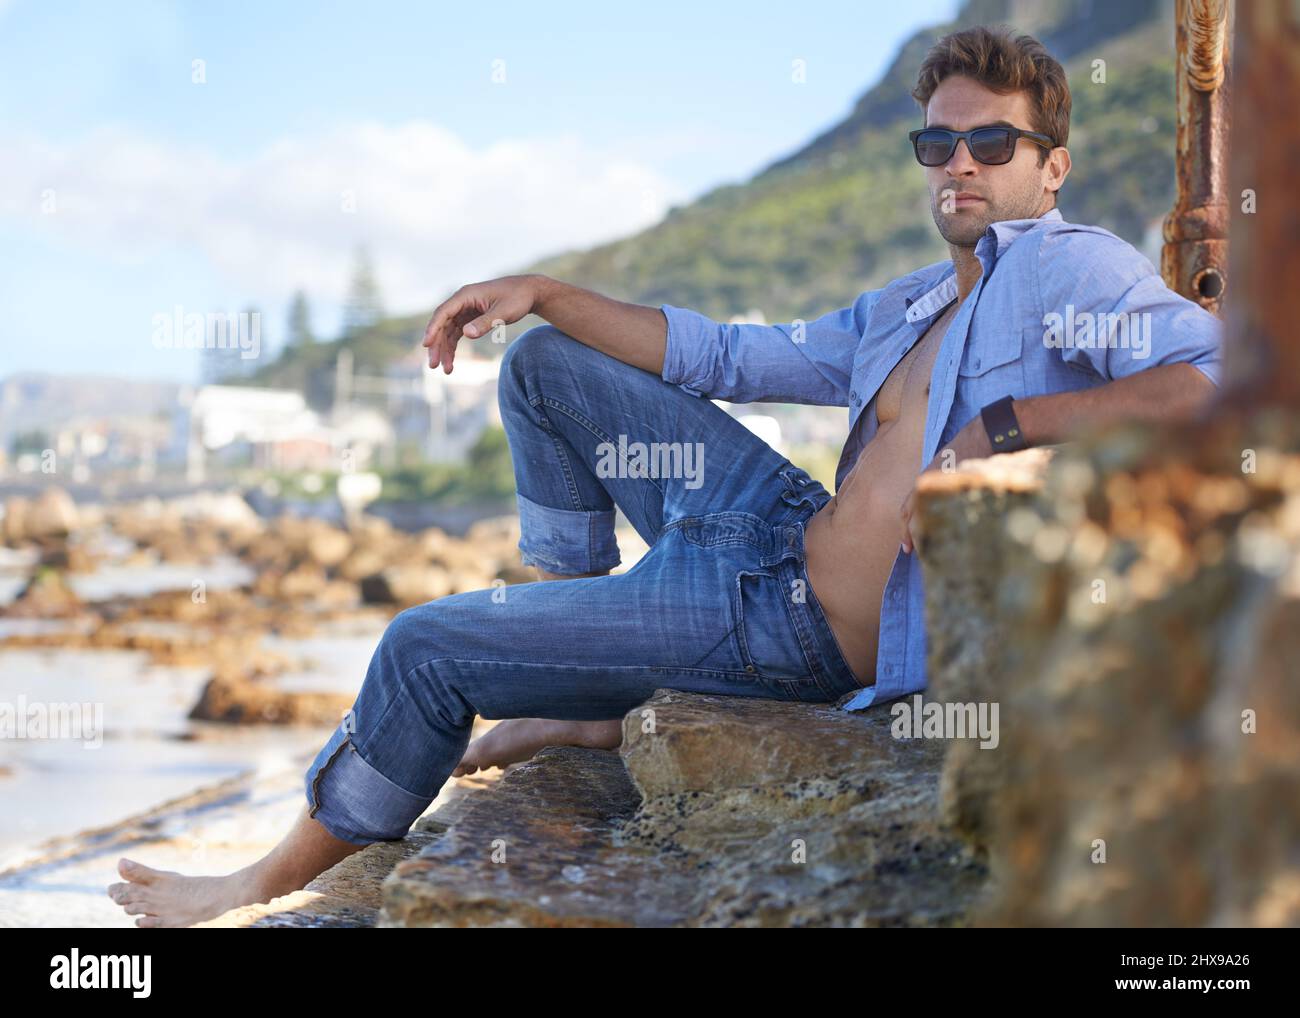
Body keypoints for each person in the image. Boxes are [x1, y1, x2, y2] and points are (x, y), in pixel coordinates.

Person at [108, 25, 1221, 926]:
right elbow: (723, 356)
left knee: (423, 646)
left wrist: (1005, 427)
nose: (962, 166)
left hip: (788, 625)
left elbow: (1214, 378)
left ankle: (258, 880)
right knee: (548, 363)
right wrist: (542, 288)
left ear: (1051, 164)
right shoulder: (911, 304)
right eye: (939, 148)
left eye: (992, 144)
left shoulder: (1073, 264)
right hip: (767, 524)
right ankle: (567, 645)